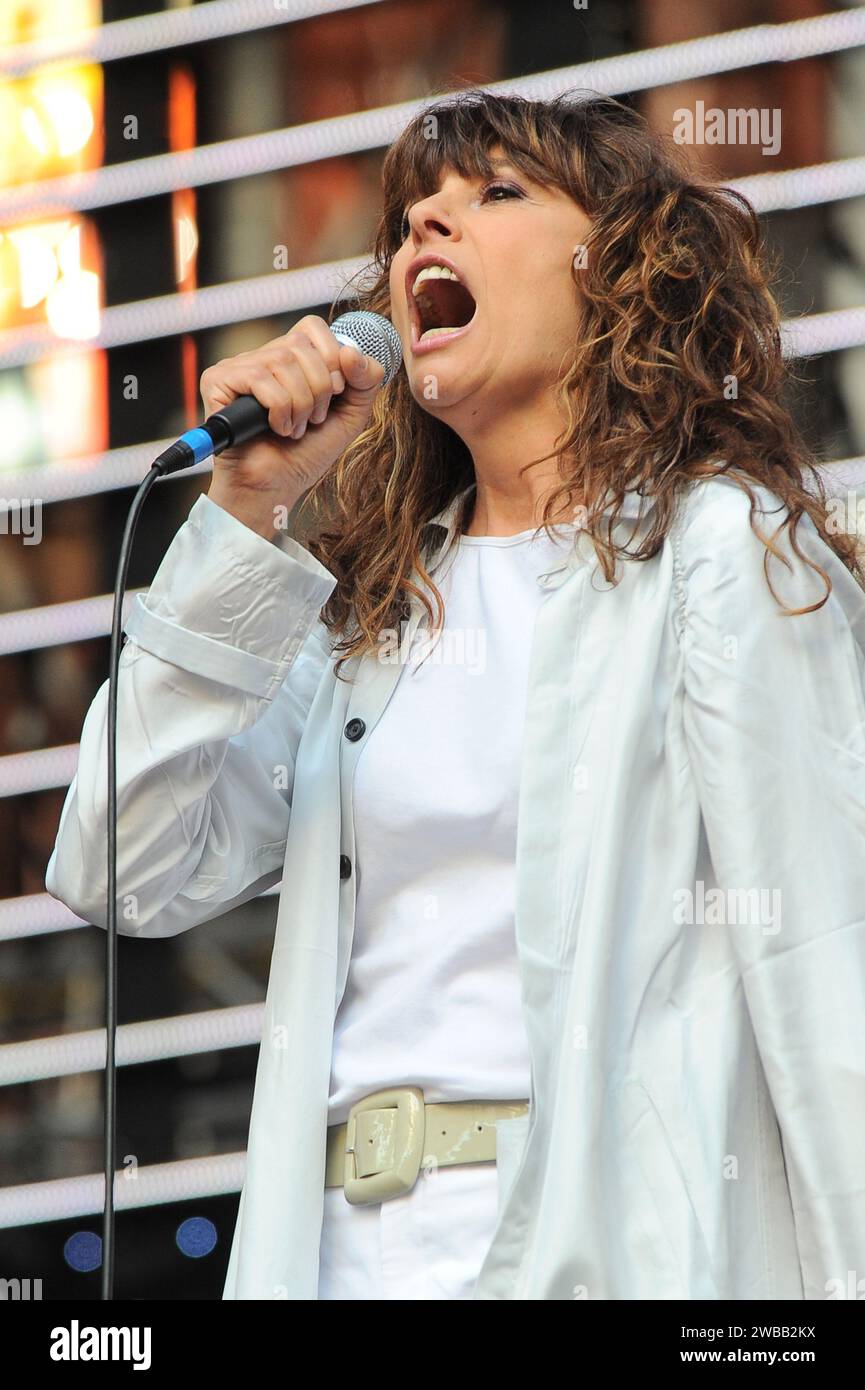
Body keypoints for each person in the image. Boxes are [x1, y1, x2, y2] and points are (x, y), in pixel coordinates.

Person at [46, 89, 865, 1301]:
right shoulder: (364, 618)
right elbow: (119, 864)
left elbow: (822, 971)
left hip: (600, 1251)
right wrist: (242, 513)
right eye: (412, 213)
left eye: (495, 194)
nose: (427, 222)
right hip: (334, 1254)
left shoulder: (717, 554)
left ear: (620, 268)